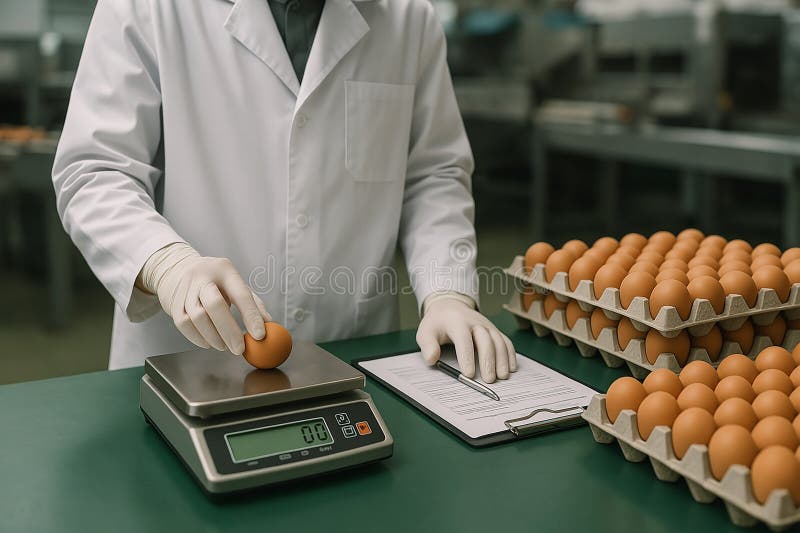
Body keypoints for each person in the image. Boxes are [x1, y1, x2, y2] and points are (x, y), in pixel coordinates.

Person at [52, 0, 516, 382]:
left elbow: (432, 173)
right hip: (186, 362)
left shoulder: (407, 17)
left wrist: (446, 293)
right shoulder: (149, 7)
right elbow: (96, 169)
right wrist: (166, 264)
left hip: (351, 356)